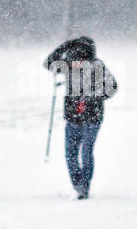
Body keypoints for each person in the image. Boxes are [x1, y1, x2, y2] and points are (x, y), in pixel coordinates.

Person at [43, 36, 118, 199]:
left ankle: (84, 187)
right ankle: (79, 186)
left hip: (93, 117)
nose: (76, 63)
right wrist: (64, 46)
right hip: (72, 117)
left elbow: (112, 86)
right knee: (70, 153)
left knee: (86, 152)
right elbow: (48, 63)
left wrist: (94, 97)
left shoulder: (97, 65)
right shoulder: (68, 65)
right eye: (74, 59)